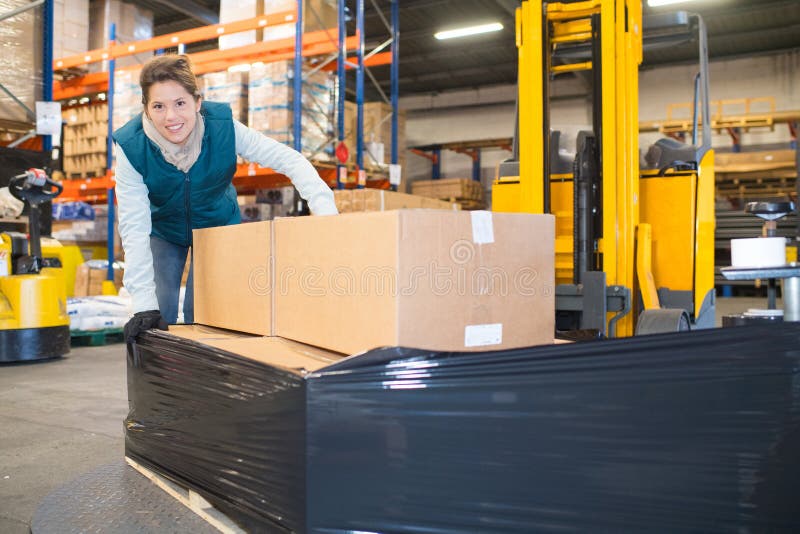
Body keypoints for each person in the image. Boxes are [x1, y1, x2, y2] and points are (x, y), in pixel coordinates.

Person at [115, 54, 337, 342]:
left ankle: (202, 381)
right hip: (163, 230)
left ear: (197, 102)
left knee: (205, 314)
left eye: (180, 103)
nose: (171, 117)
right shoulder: (131, 147)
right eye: (158, 106)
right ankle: (161, 384)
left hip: (216, 225)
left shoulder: (224, 128)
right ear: (145, 109)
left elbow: (290, 160)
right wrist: (143, 305)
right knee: (156, 315)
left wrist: (326, 215)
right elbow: (134, 227)